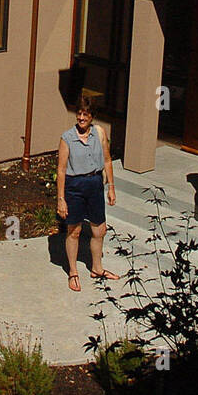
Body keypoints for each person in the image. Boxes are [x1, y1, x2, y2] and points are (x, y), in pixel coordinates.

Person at [56, 96, 119, 291]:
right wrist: (61, 199)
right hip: (74, 186)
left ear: (92, 117)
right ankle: (73, 272)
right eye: (79, 114)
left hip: (95, 184)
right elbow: (61, 169)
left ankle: (97, 268)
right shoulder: (67, 138)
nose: (82, 118)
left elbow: (107, 160)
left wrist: (111, 187)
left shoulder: (99, 133)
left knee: (99, 230)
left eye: (86, 114)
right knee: (74, 231)